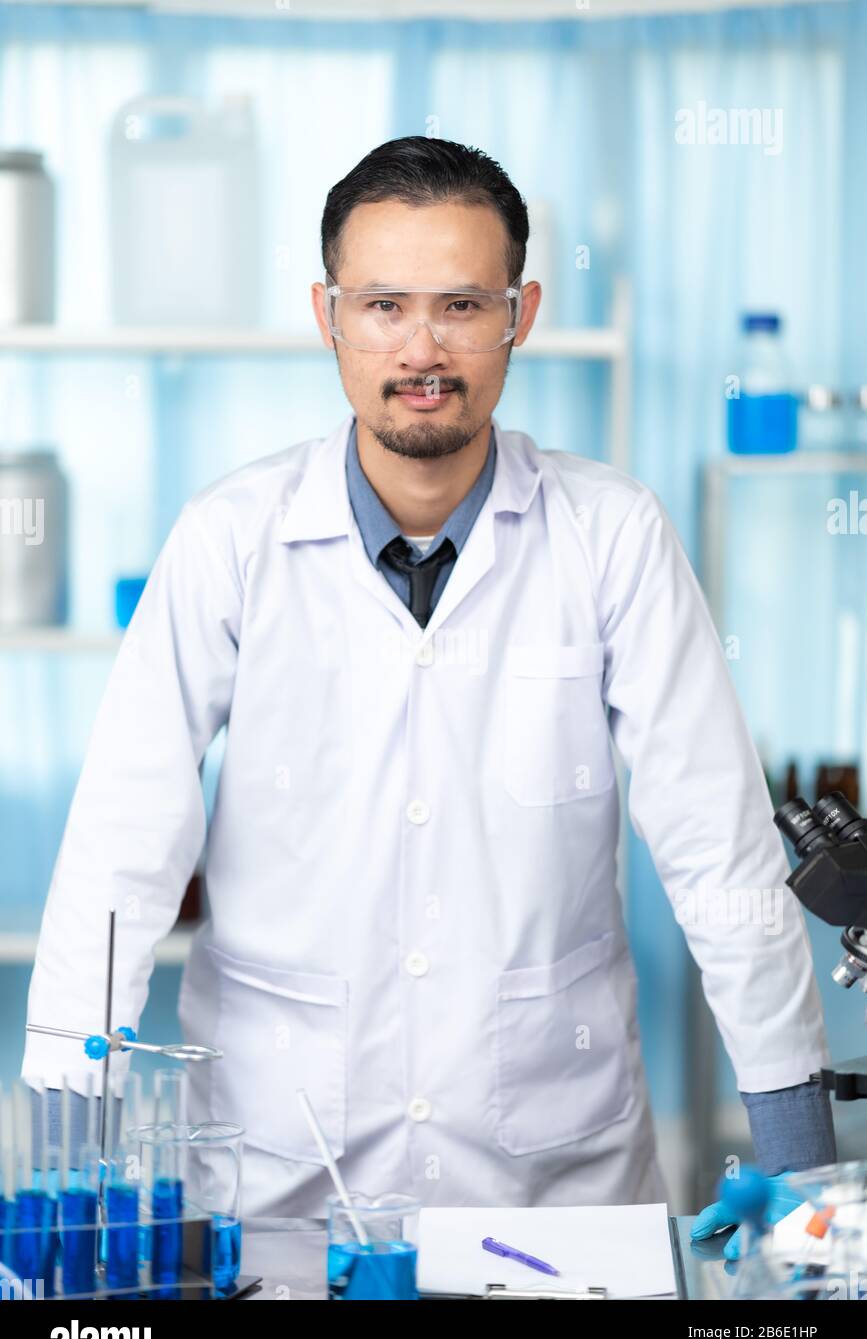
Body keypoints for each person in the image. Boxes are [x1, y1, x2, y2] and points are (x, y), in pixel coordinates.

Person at [23, 136, 835, 1230]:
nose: (422, 349)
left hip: (555, 1183)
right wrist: (65, 1170)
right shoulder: (229, 538)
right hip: (279, 1176)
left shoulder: (613, 535)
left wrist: (803, 1171)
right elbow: (121, 846)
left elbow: (718, 848)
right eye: (382, 306)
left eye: (460, 305)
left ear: (521, 314)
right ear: (327, 317)